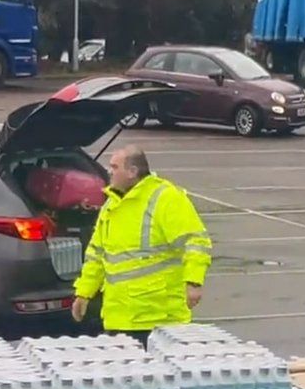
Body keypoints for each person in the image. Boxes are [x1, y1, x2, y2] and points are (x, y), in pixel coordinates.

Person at [71, 145, 212, 348]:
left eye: (114, 166)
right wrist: (83, 294)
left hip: (158, 318)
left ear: (132, 172)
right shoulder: (112, 206)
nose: (109, 171)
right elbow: (96, 256)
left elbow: (195, 241)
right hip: (119, 318)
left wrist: (194, 282)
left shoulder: (165, 198)